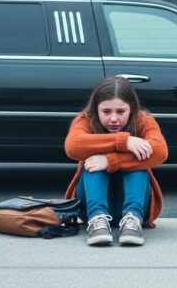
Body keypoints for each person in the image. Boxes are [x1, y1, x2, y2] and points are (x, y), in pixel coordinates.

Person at [64, 76, 168, 246]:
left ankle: (132, 221)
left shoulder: (143, 120)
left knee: (140, 158)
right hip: (89, 209)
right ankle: (97, 221)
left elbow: (161, 151)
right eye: (106, 112)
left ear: (132, 108)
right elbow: (72, 146)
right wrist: (124, 142)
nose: (113, 119)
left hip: (136, 208)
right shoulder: (86, 120)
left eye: (121, 112)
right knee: (93, 163)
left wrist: (110, 160)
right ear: (96, 109)